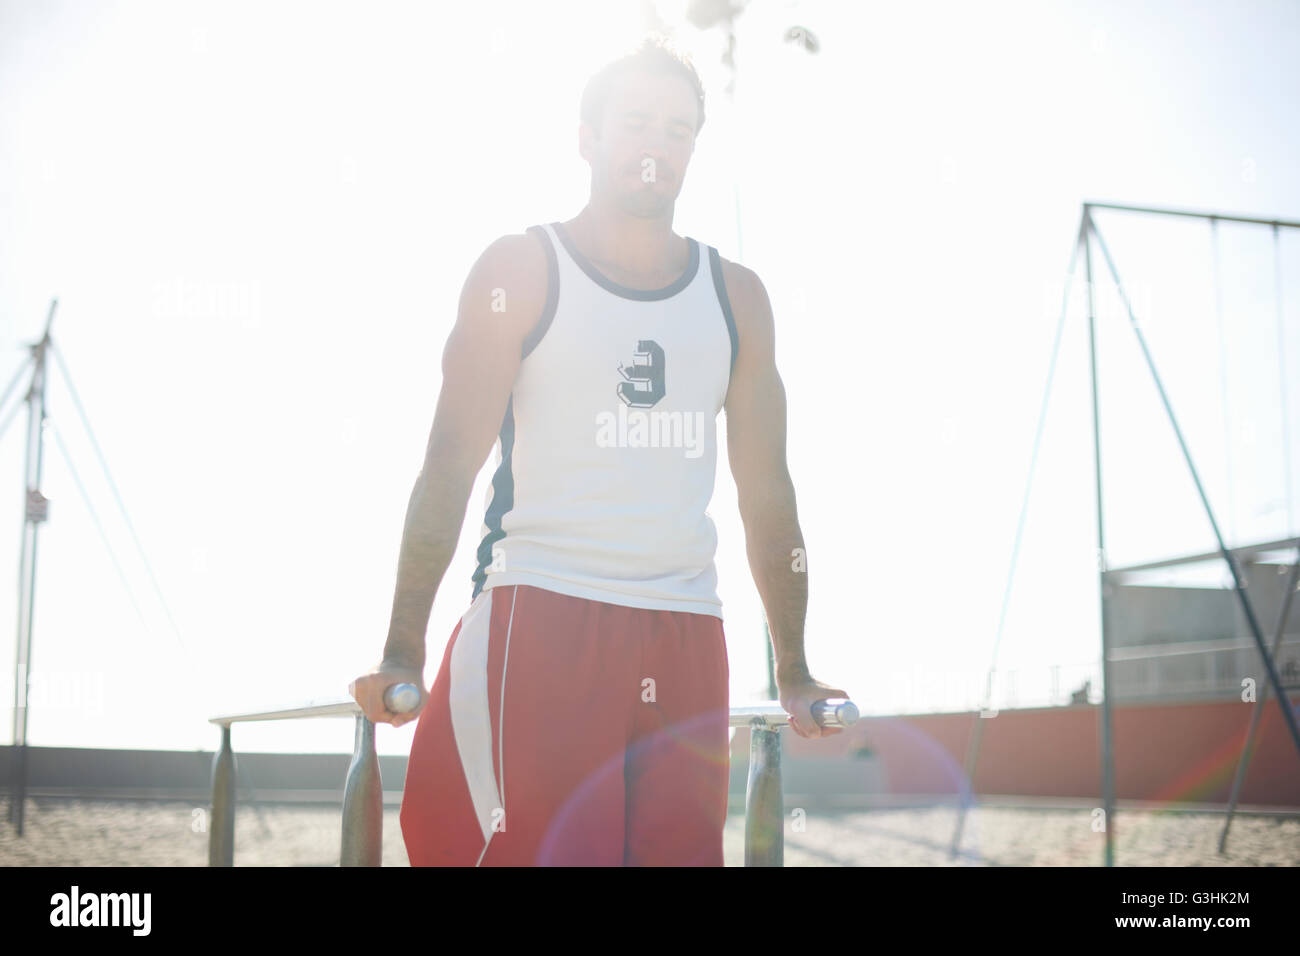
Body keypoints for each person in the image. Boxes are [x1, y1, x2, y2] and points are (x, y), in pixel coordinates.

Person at [349, 33, 847, 866]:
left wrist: (794, 665)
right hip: (539, 611)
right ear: (588, 136)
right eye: (637, 121)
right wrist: (404, 645)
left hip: (686, 631)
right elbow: (448, 466)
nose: (657, 144)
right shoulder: (522, 270)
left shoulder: (738, 299)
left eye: (678, 129)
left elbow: (769, 497)